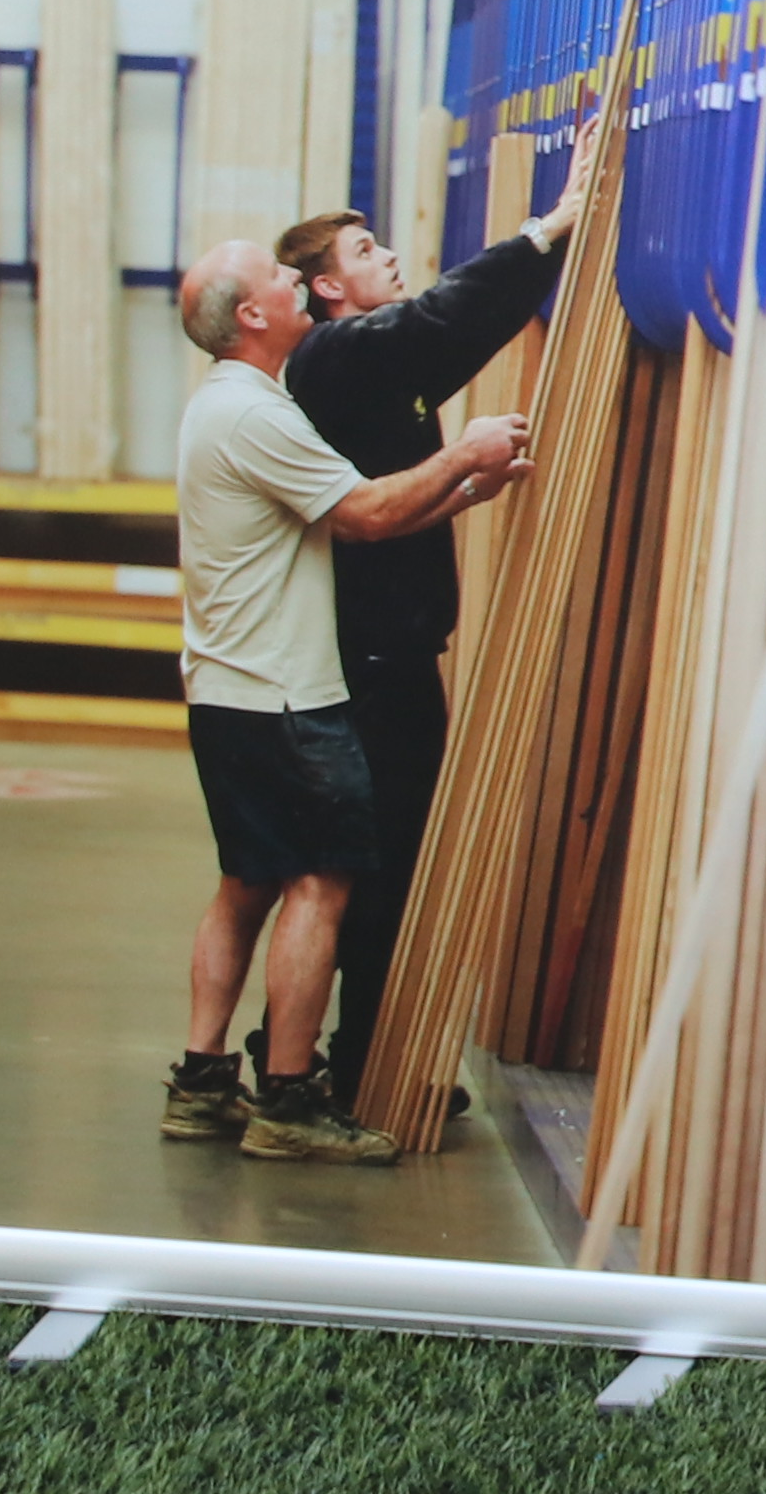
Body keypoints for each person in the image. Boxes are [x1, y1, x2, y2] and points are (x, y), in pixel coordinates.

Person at [161, 233, 529, 1170]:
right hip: (286, 693)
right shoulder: (258, 416)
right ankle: (289, 1099)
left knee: (245, 883)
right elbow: (362, 514)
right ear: (253, 315)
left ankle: (201, 1085)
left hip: (226, 687)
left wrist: (460, 491)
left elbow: (345, 523)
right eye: (286, 280)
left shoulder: (224, 406)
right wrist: (468, 452)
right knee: (321, 886)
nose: (297, 286)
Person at [273, 106, 610, 1116]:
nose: (390, 259)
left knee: (382, 866)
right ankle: (361, 1068)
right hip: (370, 666)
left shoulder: (369, 368)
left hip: (388, 657)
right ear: (330, 286)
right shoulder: (340, 356)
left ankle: (356, 1057)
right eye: (367, 251)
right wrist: (554, 225)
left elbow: (437, 352)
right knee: (376, 869)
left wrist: (461, 488)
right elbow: (437, 326)